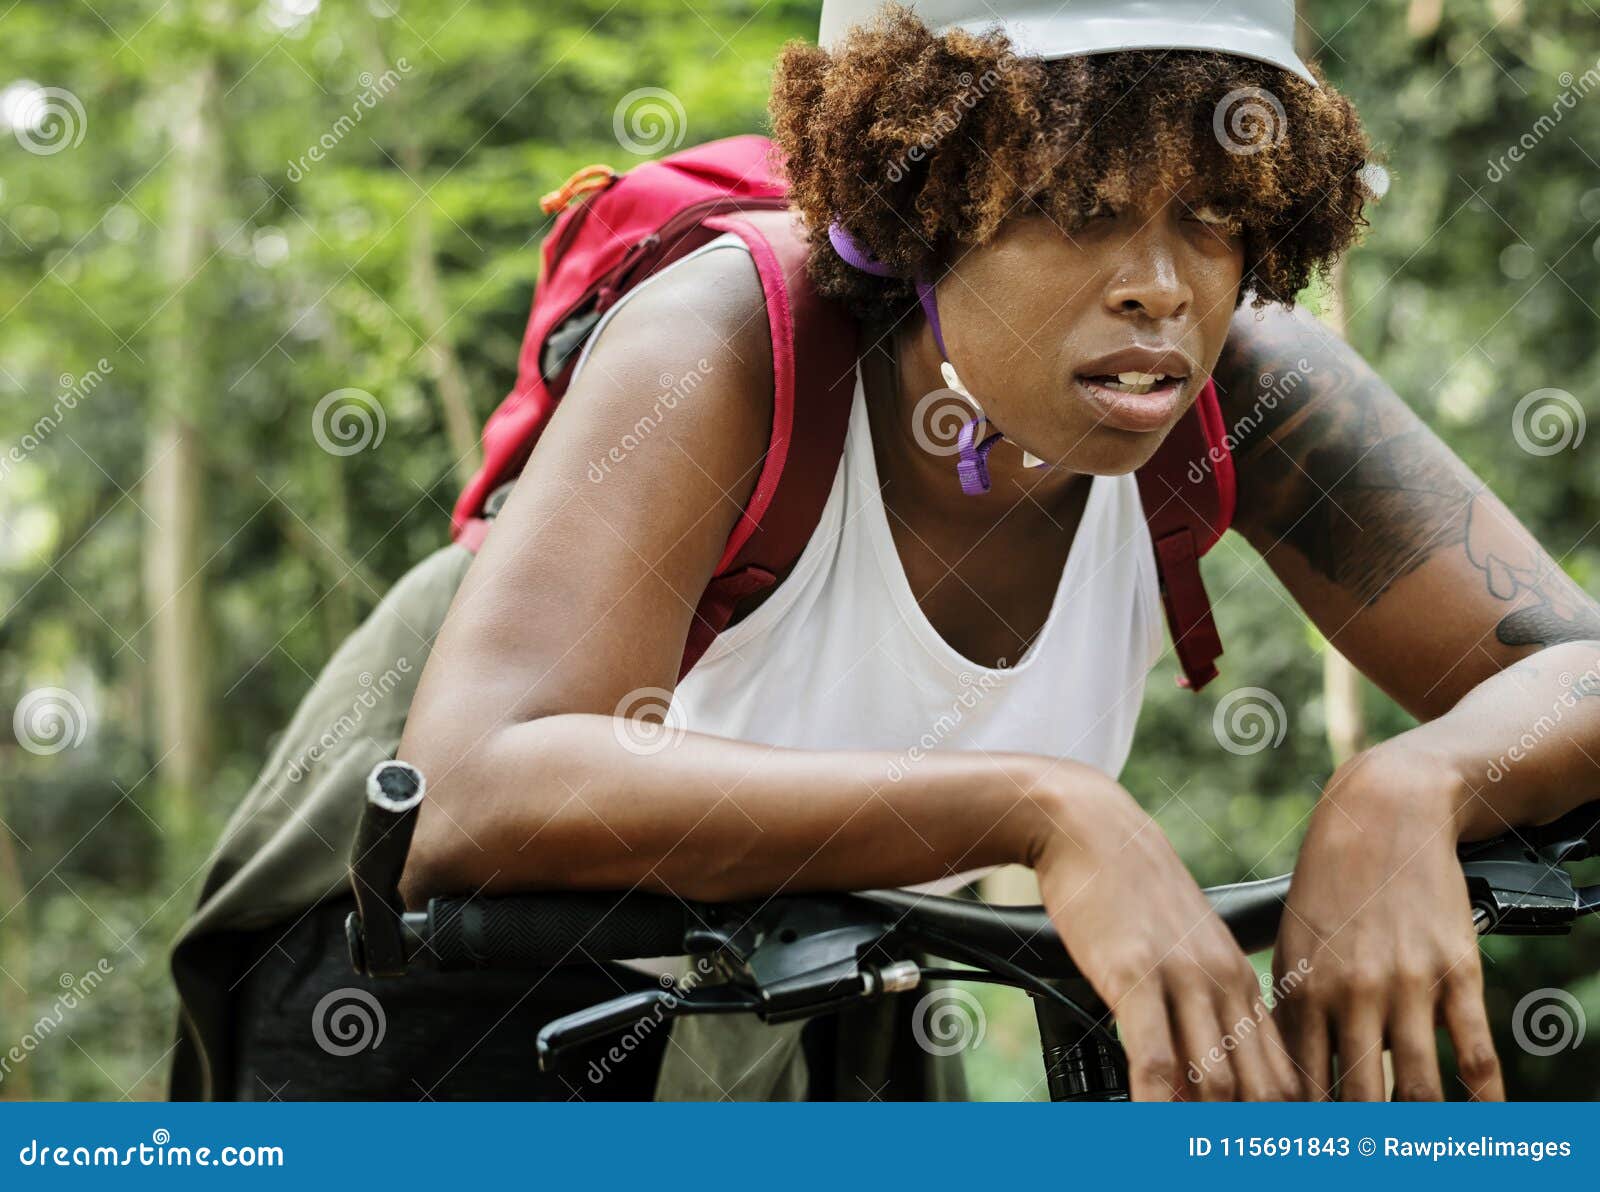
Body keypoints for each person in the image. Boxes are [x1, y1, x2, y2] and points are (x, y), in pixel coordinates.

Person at [174, 0, 1600, 1102]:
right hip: (430, 953)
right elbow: (476, 789)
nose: (1161, 284)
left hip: (819, 939)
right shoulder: (726, 342)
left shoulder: (1245, 385)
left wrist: (1415, 785)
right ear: (928, 208)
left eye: (1216, 217)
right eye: (1083, 210)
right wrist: (1043, 807)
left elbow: (1577, 674)